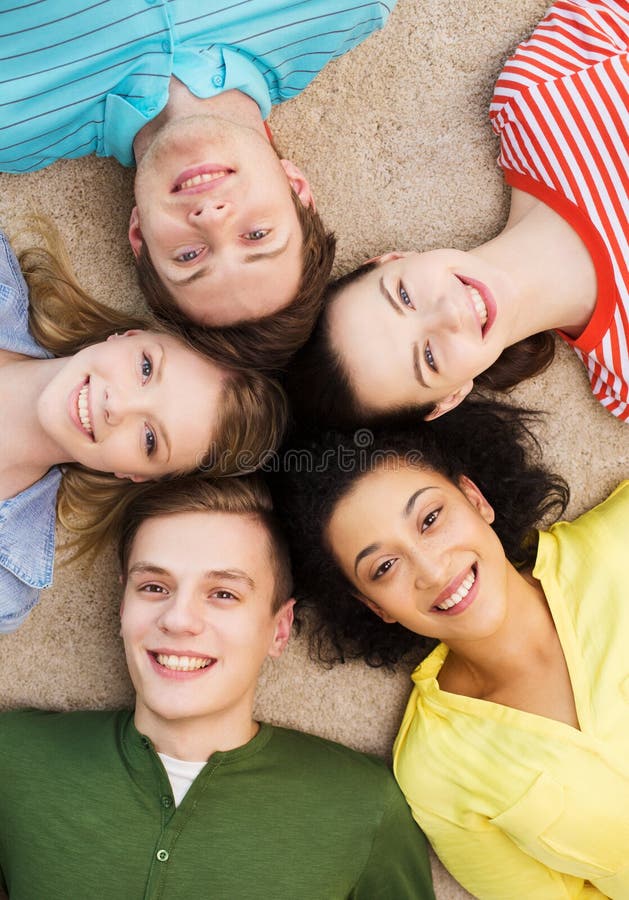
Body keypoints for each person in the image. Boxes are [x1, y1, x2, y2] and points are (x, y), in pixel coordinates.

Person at [0, 475, 435, 900]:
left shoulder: (365, 807)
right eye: (154, 587)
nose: (177, 618)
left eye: (223, 593)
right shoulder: (13, 759)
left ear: (279, 630)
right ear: (122, 606)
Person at [273, 399, 629, 898]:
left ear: (475, 498)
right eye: (384, 568)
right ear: (375, 606)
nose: (433, 570)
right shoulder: (436, 768)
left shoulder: (622, 542)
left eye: (430, 518)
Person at [0, 2, 397, 368]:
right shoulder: (345, 7)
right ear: (296, 189)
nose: (211, 218)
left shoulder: (12, 123)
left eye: (189, 255)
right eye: (257, 235)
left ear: (140, 237)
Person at [290, 0, 629, 425]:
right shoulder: (623, 384)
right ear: (450, 397)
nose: (449, 314)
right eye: (428, 357)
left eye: (405, 296)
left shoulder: (536, 98)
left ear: (392, 259)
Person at [0, 225, 286, 633]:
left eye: (150, 439)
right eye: (146, 368)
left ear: (136, 476)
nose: (118, 406)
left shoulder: (7, 586)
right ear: (129, 337)